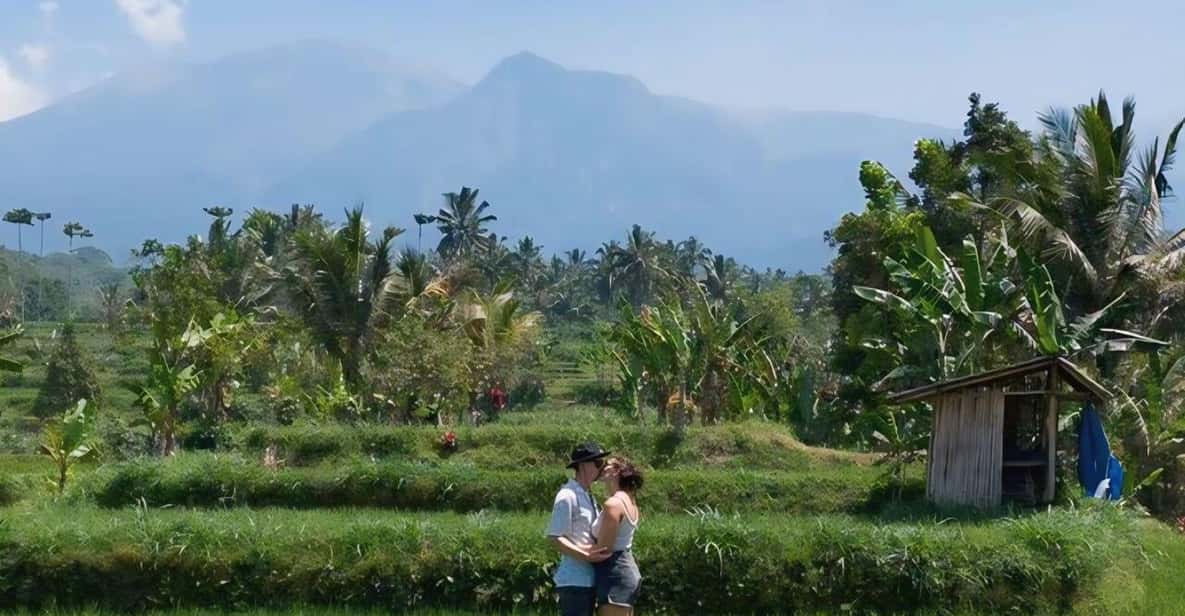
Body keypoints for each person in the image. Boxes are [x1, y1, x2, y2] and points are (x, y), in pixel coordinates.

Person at [546, 442, 612, 616]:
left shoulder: (587, 495)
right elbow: (555, 537)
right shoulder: (567, 496)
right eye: (597, 463)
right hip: (574, 581)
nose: (601, 468)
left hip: (589, 579)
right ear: (583, 465)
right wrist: (585, 555)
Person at [591, 456, 643, 615]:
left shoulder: (613, 504)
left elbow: (604, 549)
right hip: (624, 568)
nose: (602, 467)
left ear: (616, 472)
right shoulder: (629, 501)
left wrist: (571, 548)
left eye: (607, 465)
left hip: (615, 572)